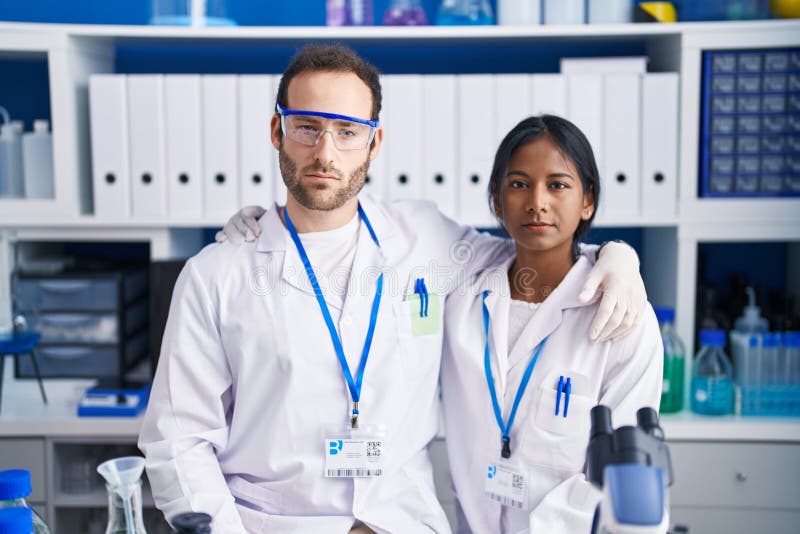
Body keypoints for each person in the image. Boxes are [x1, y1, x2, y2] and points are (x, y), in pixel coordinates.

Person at [141, 44, 647, 534]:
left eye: (346, 131)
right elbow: (177, 441)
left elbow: (533, 253)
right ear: (278, 130)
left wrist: (616, 257)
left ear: (374, 143)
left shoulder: (425, 238)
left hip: (403, 522)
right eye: (307, 127)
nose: (325, 152)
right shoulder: (216, 275)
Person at [441, 115, 663, 533]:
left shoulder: (623, 315)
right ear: (495, 199)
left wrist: (620, 255)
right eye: (518, 184)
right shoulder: (461, 300)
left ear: (588, 200)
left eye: (558, 185)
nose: (536, 202)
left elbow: (624, 467)